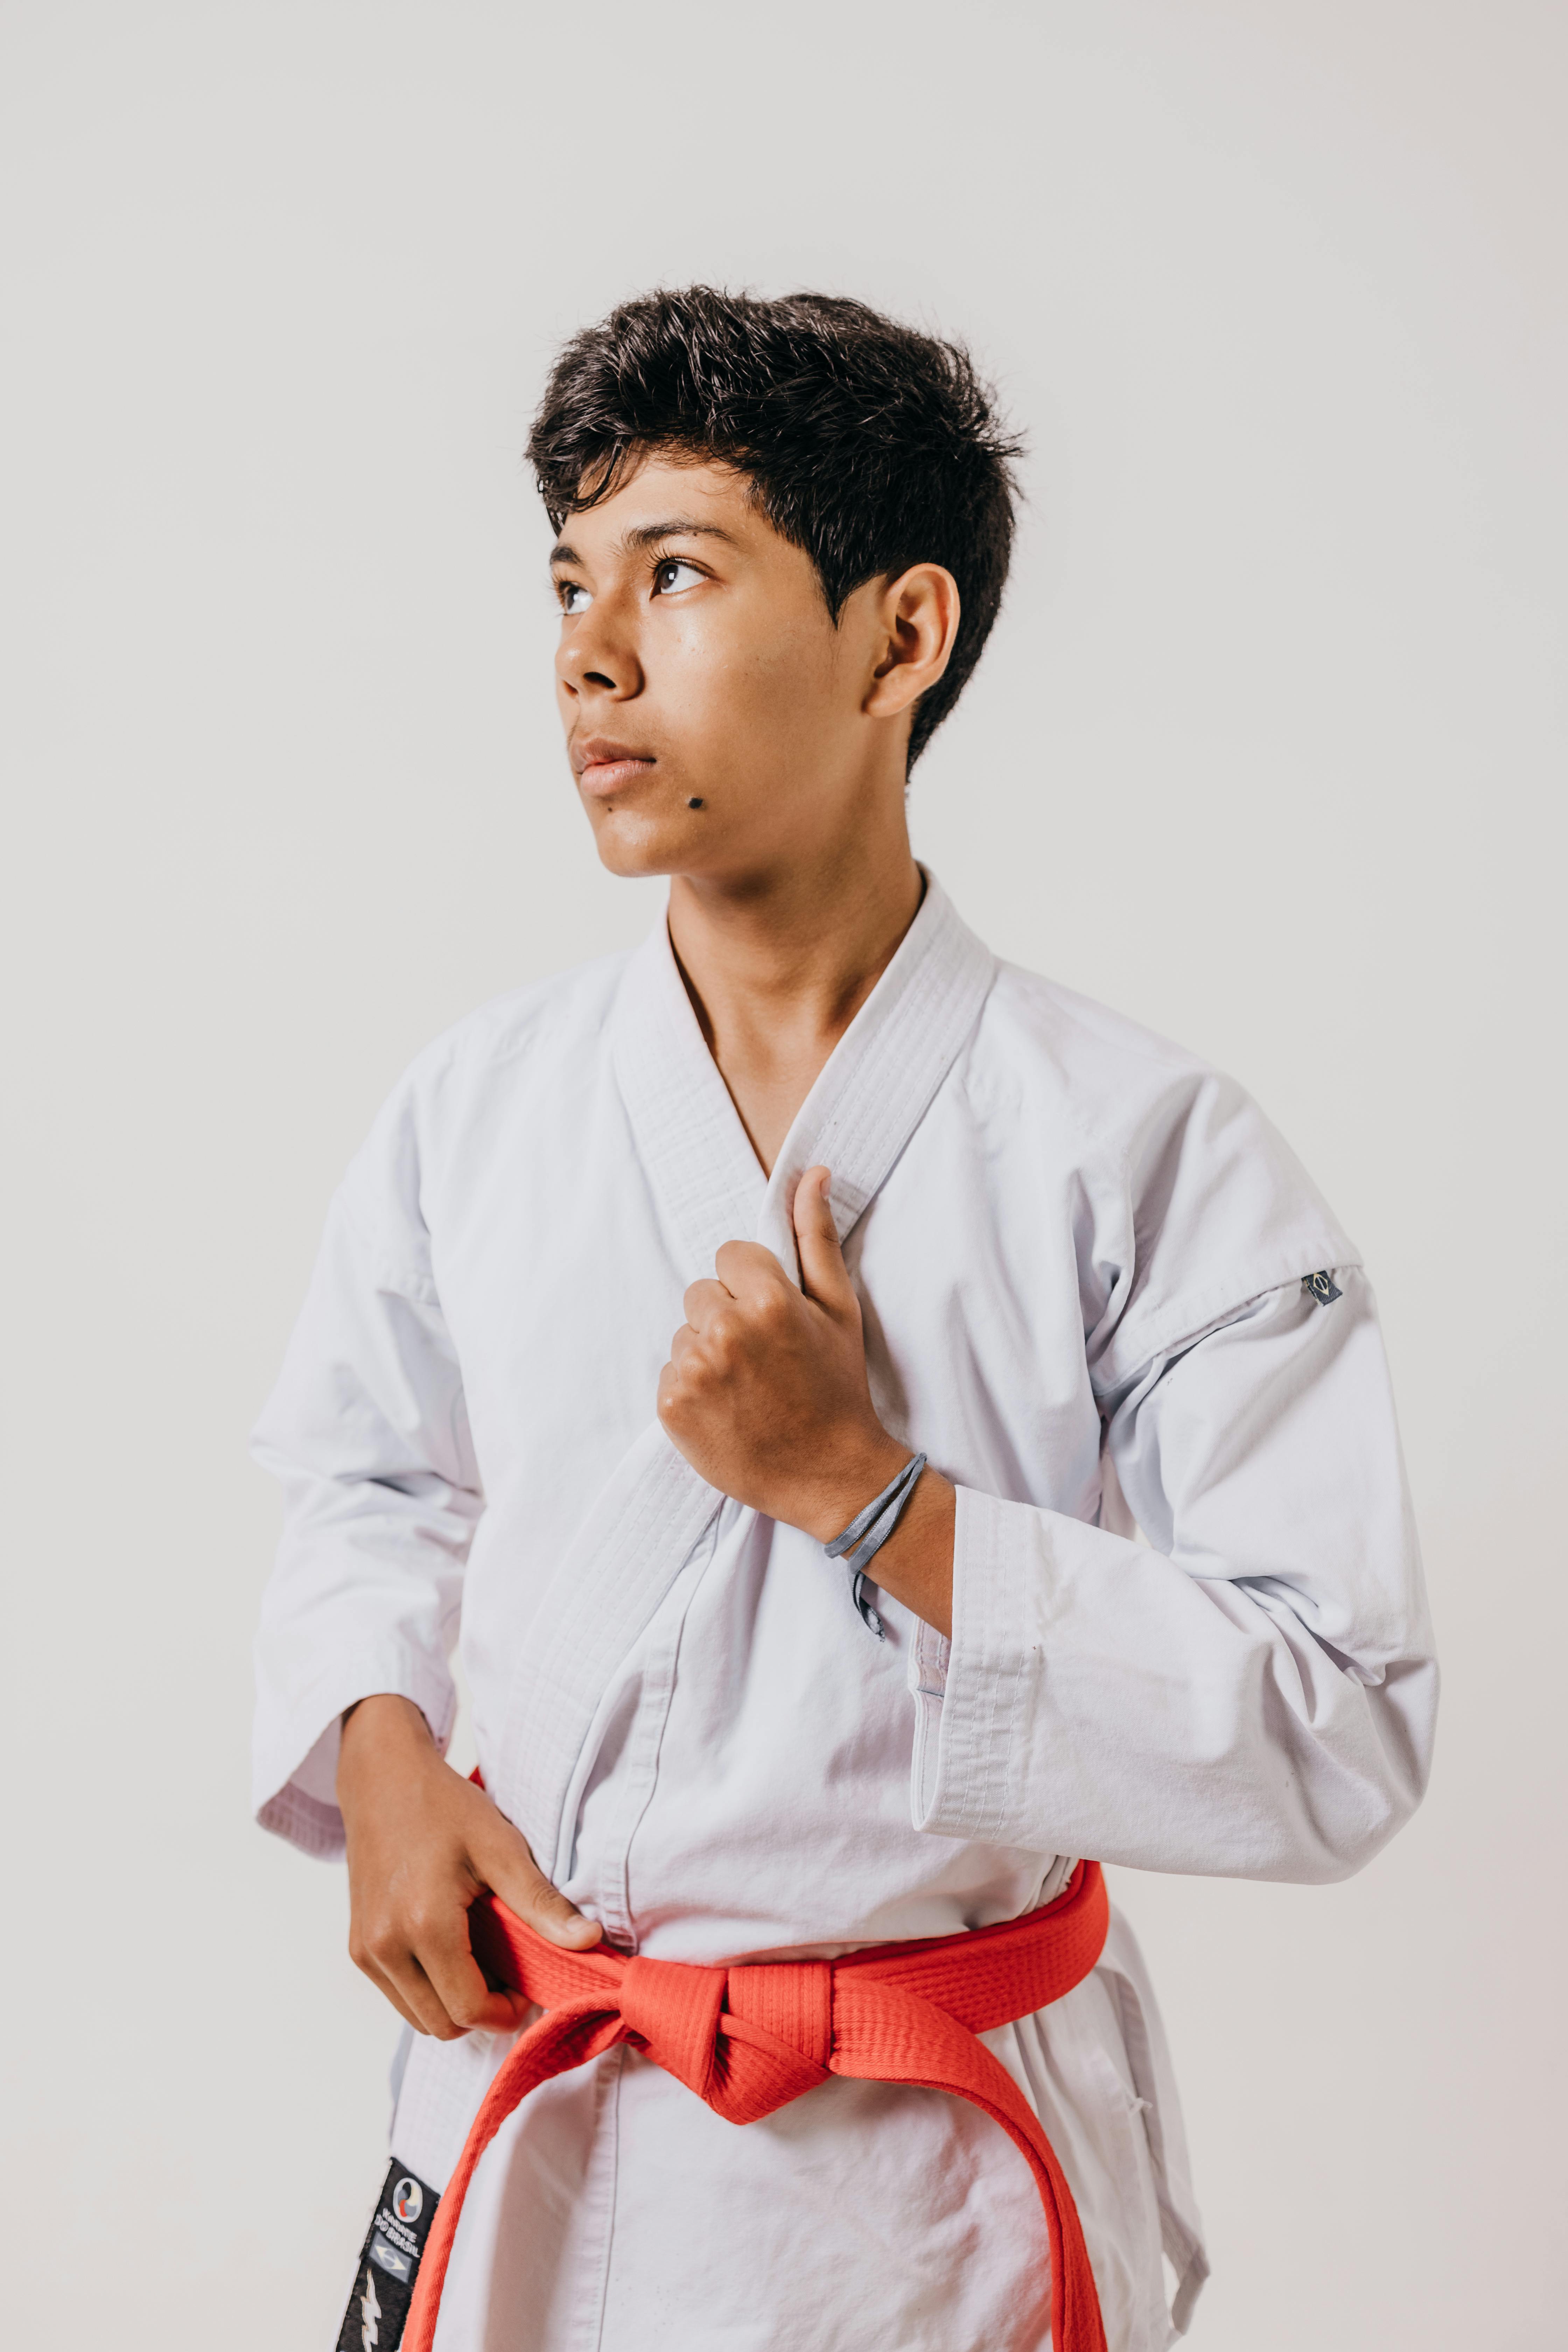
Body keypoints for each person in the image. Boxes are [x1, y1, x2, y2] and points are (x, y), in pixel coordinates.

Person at [251, 287, 1437, 2352]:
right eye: (568, 582)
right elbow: (368, 1476)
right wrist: (376, 1748)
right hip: (531, 2124)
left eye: (680, 572)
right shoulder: (480, 1105)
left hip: (907, 2211)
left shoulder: (1140, 1149)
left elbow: (1337, 1725)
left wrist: (872, 1495)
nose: (588, 655)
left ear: (903, 638)